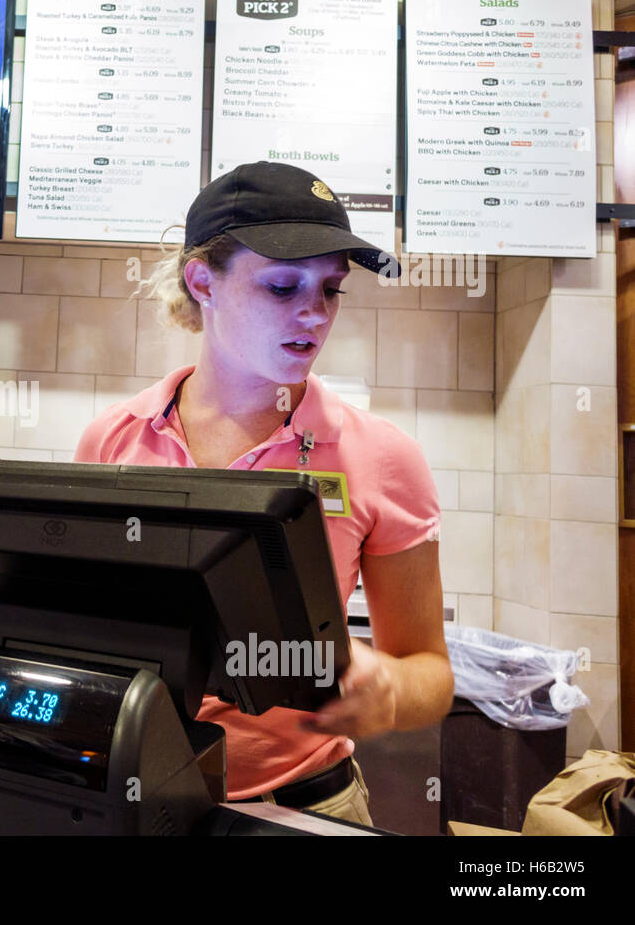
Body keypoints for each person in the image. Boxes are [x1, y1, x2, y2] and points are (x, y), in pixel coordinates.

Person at [74, 162, 454, 826]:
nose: (314, 315)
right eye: (283, 286)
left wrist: (389, 688)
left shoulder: (381, 456)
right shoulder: (114, 440)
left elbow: (430, 671)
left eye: (331, 291)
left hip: (306, 805)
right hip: (135, 800)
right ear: (202, 281)